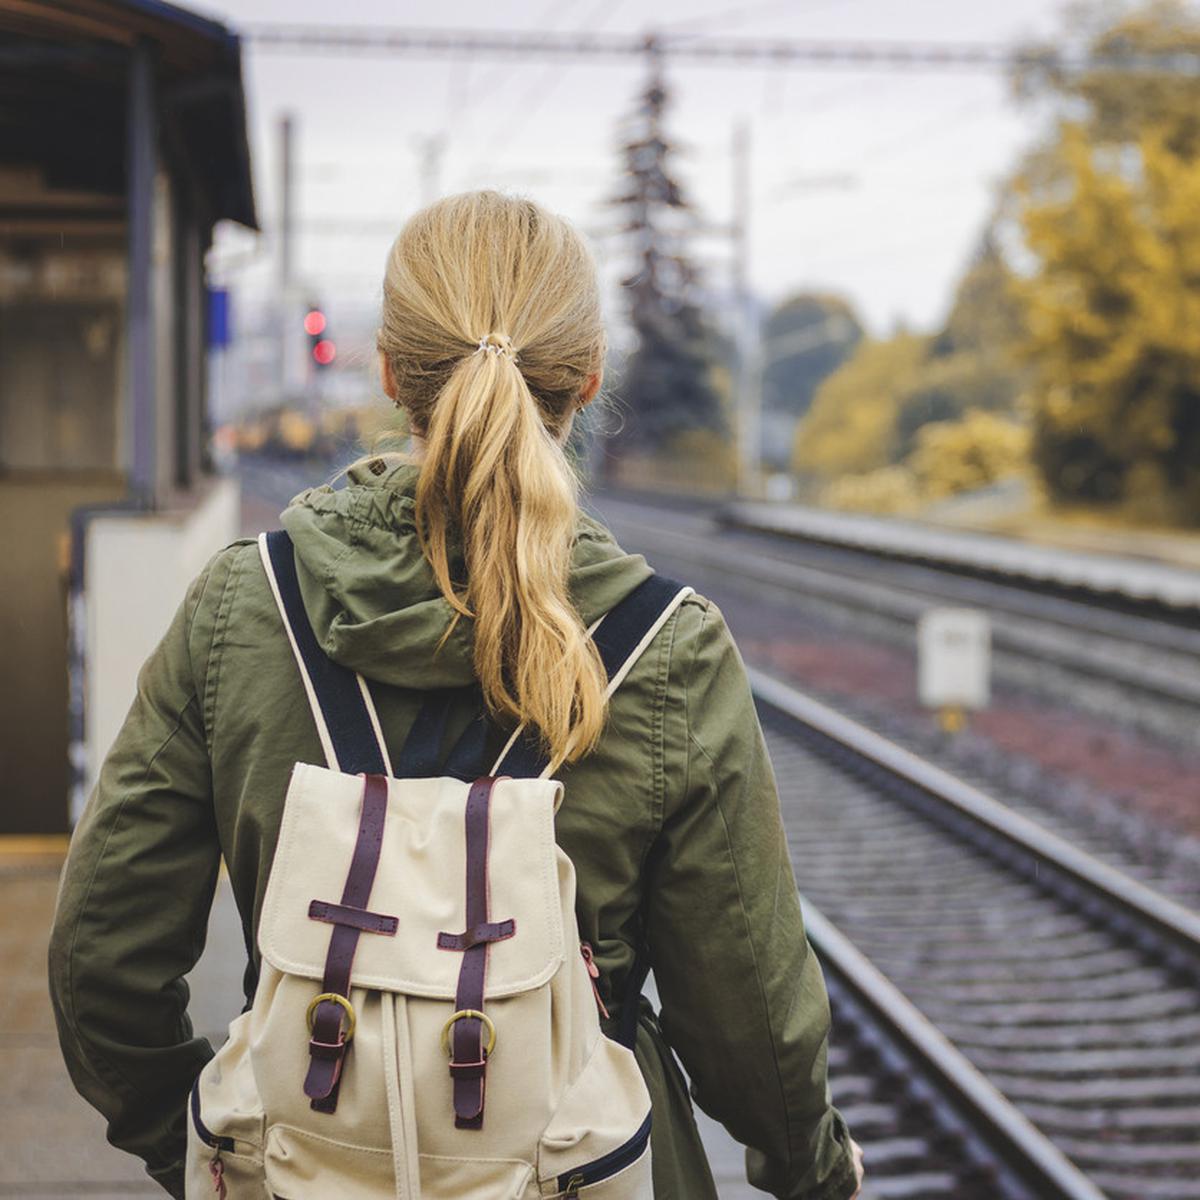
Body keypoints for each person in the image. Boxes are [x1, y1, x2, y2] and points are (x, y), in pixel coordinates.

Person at [48, 190, 864, 1199]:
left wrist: (202, 1149)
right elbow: (754, 1024)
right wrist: (814, 1174)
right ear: (589, 380)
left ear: (389, 374)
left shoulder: (240, 607)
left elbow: (99, 964)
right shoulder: (667, 646)